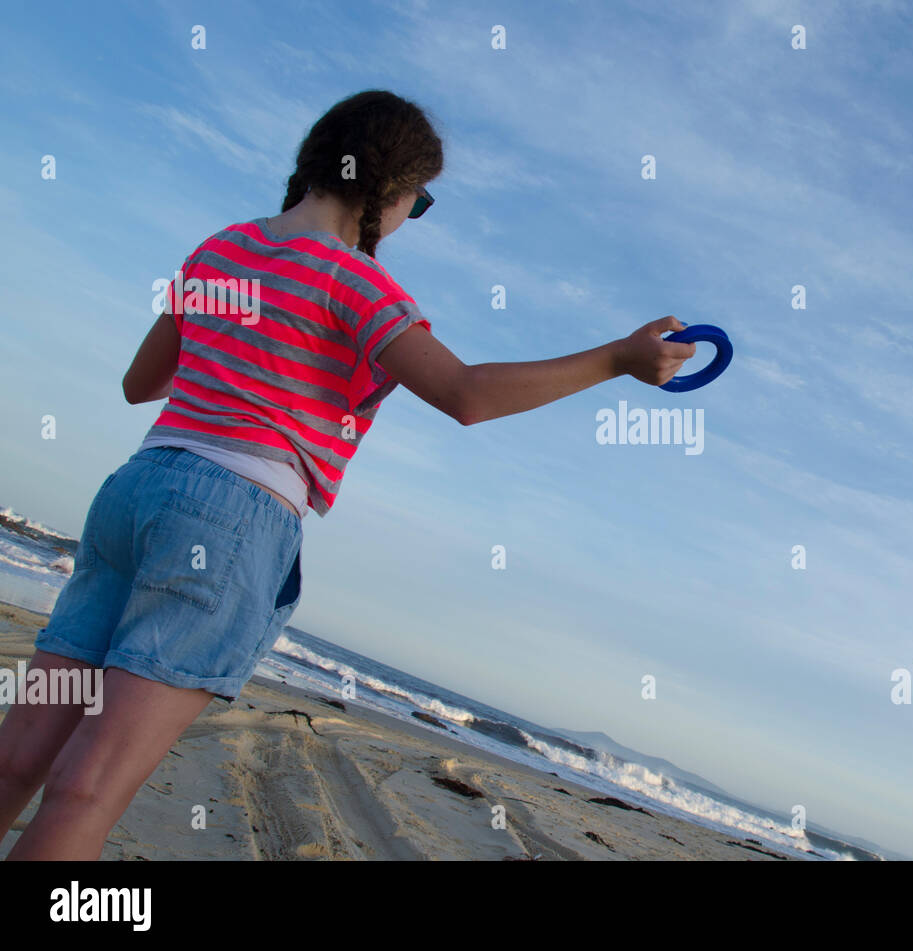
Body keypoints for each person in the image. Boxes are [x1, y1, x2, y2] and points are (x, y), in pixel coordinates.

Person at [0, 89, 695, 860]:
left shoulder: (219, 249)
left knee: (18, 755)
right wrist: (616, 358)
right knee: (88, 786)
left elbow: (141, 382)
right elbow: (467, 395)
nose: (410, 214)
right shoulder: (356, 283)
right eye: (418, 200)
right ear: (387, 189)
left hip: (136, 491)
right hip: (232, 514)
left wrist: (243, 346)